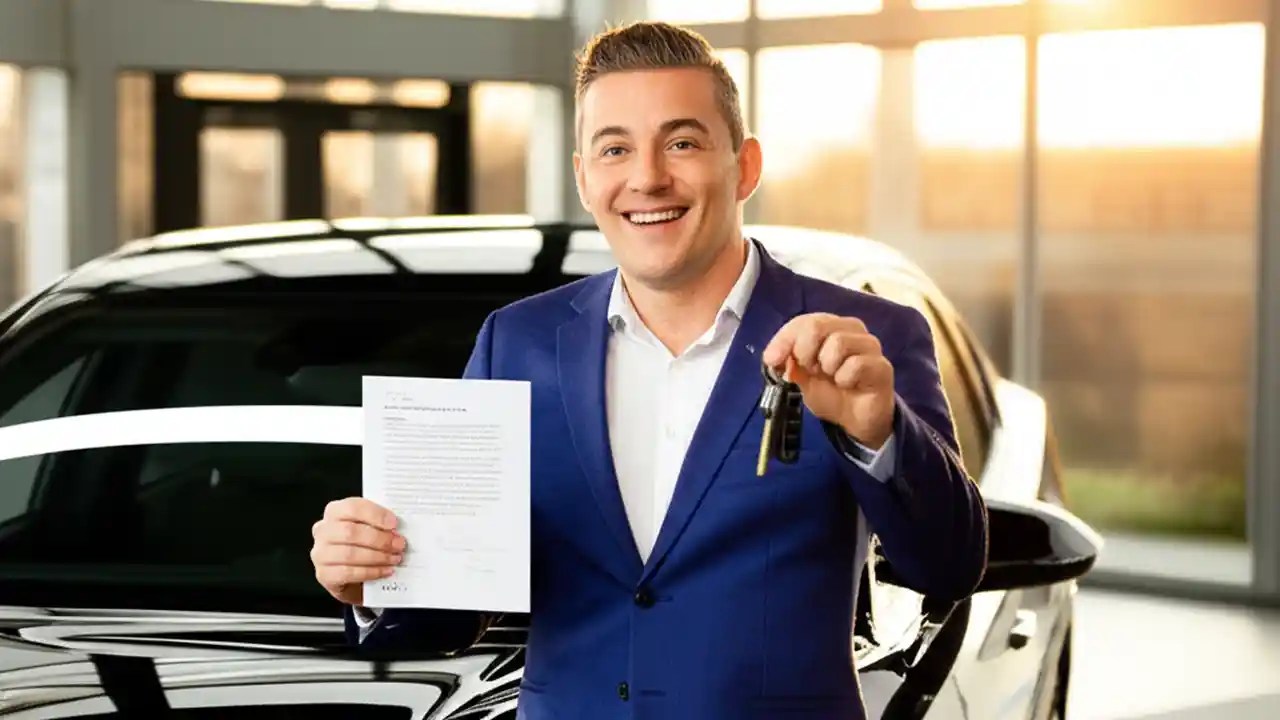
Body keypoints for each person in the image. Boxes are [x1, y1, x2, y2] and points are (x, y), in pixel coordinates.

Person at [310, 20, 987, 720]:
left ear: (745, 166)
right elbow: (451, 617)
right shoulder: (517, 344)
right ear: (583, 176)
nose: (647, 177)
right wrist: (373, 583)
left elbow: (949, 567)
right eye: (615, 149)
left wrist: (877, 430)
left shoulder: (865, 340)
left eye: (683, 142)